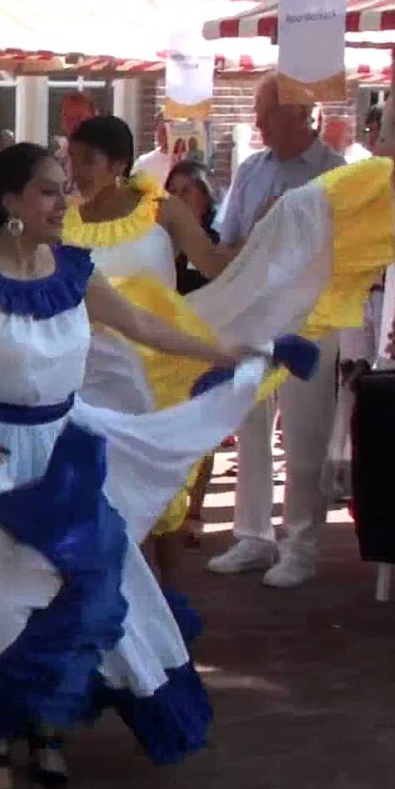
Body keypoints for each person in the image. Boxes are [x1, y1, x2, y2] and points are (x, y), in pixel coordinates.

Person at [0, 142, 320, 789]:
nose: (64, 202)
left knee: (68, 590)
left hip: (66, 450)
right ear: (11, 202)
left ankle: (48, 719)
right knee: (2, 601)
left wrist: (231, 351)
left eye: (63, 188)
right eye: (49, 191)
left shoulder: (76, 270)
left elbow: (147, 326)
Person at [62, 115, 230, 596]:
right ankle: (112, 609)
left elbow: (214, 264)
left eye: (88, 161)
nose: (77, 172)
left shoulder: (162, 210)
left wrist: (272, 244)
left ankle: (171, 611)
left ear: (118, 164)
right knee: (102, 490)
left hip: (162, 369)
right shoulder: (65, 220)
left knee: (165, 498)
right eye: (72, 160)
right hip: (90, 374)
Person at [206, 75, 348, 588]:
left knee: (305, 432)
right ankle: (252, 535)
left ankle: (301, 545)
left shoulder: (335, 173)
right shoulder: (250, 170)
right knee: (249, 426)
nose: (258, 123)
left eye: (266, 113)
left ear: (298, 115)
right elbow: (229, 244)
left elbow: (342, 253)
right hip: (255, 313)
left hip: (311, 318)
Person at [165, 160, 225, 543]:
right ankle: (170, 504)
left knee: (203, 424)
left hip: (204, 341)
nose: (179, 198)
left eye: (187, 191)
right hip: (164, 342)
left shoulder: (213, 241)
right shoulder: (155, 237)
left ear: (204, 195)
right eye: (173, 190)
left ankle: (194, 509)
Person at [132, 115, 175, 187]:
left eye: (172, 130)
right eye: (164, 131)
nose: (168, 135)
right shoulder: (144, 163)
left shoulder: (191, 160)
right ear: (156, 132)